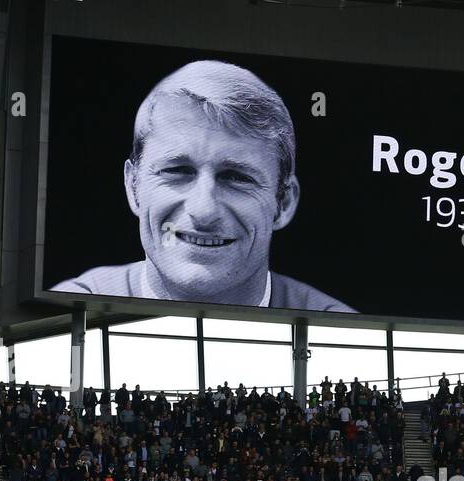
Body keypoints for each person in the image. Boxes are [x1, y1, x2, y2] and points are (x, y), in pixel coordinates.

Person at [51, 60, 353, 312]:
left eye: (236, 177)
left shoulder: (341, 329)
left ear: (284, 203)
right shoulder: (74, 305)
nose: (203, 210)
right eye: (177, 171)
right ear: (133, 187)